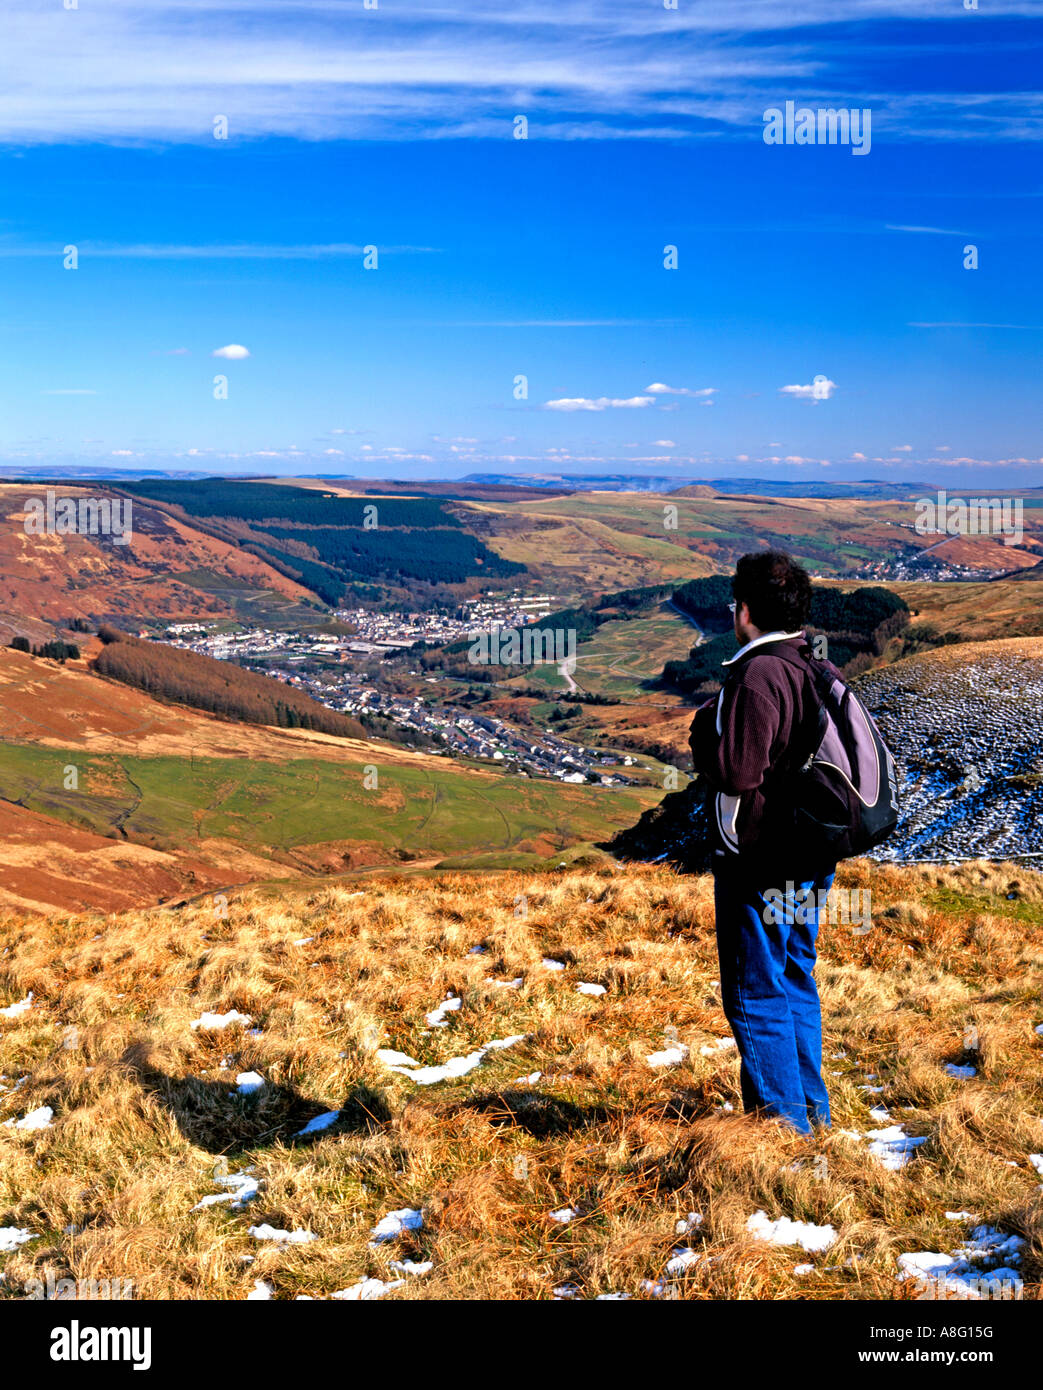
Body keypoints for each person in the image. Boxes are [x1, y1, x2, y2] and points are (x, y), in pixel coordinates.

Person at [689, 550, 837, 1136]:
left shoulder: (759, 673)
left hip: (764, 859)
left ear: (744, 611)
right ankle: (810, 1118)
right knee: (793, 976)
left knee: (755, 991)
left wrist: (704, 730)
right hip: (807, 854)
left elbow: (737, 773)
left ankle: (782, 1137)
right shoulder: (810, 663)